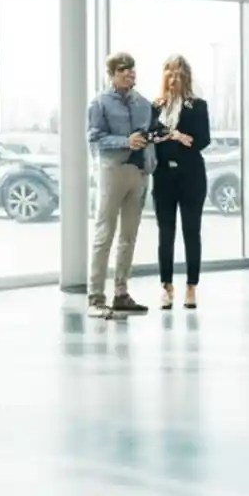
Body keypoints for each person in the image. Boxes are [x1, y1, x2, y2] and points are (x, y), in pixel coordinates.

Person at [87, 52, 153, 317]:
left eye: (132, 69)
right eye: (124, 70)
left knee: (129, 236)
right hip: (112, 172)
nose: (130, 73)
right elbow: (95, 138)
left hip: (139, 174)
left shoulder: (144, 104)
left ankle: (121, 294)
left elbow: (151, 135)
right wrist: (126, 141)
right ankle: (95, 297)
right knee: (104, 234)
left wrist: (150, 162)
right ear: (112, 74)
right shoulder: (99, 103)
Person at [150, 55, 211, 310]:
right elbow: (149, 134)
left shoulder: (197, 105)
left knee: (191, 232)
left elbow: (202, 139)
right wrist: (167, 136)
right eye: (170, 74)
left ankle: (191, 287)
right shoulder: (155, 107)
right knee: (165, 233)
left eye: (179, 74)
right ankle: (166, 287)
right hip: (163, 176)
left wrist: (182, 137)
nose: (174, 79)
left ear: (186, 77)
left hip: (191, 176)